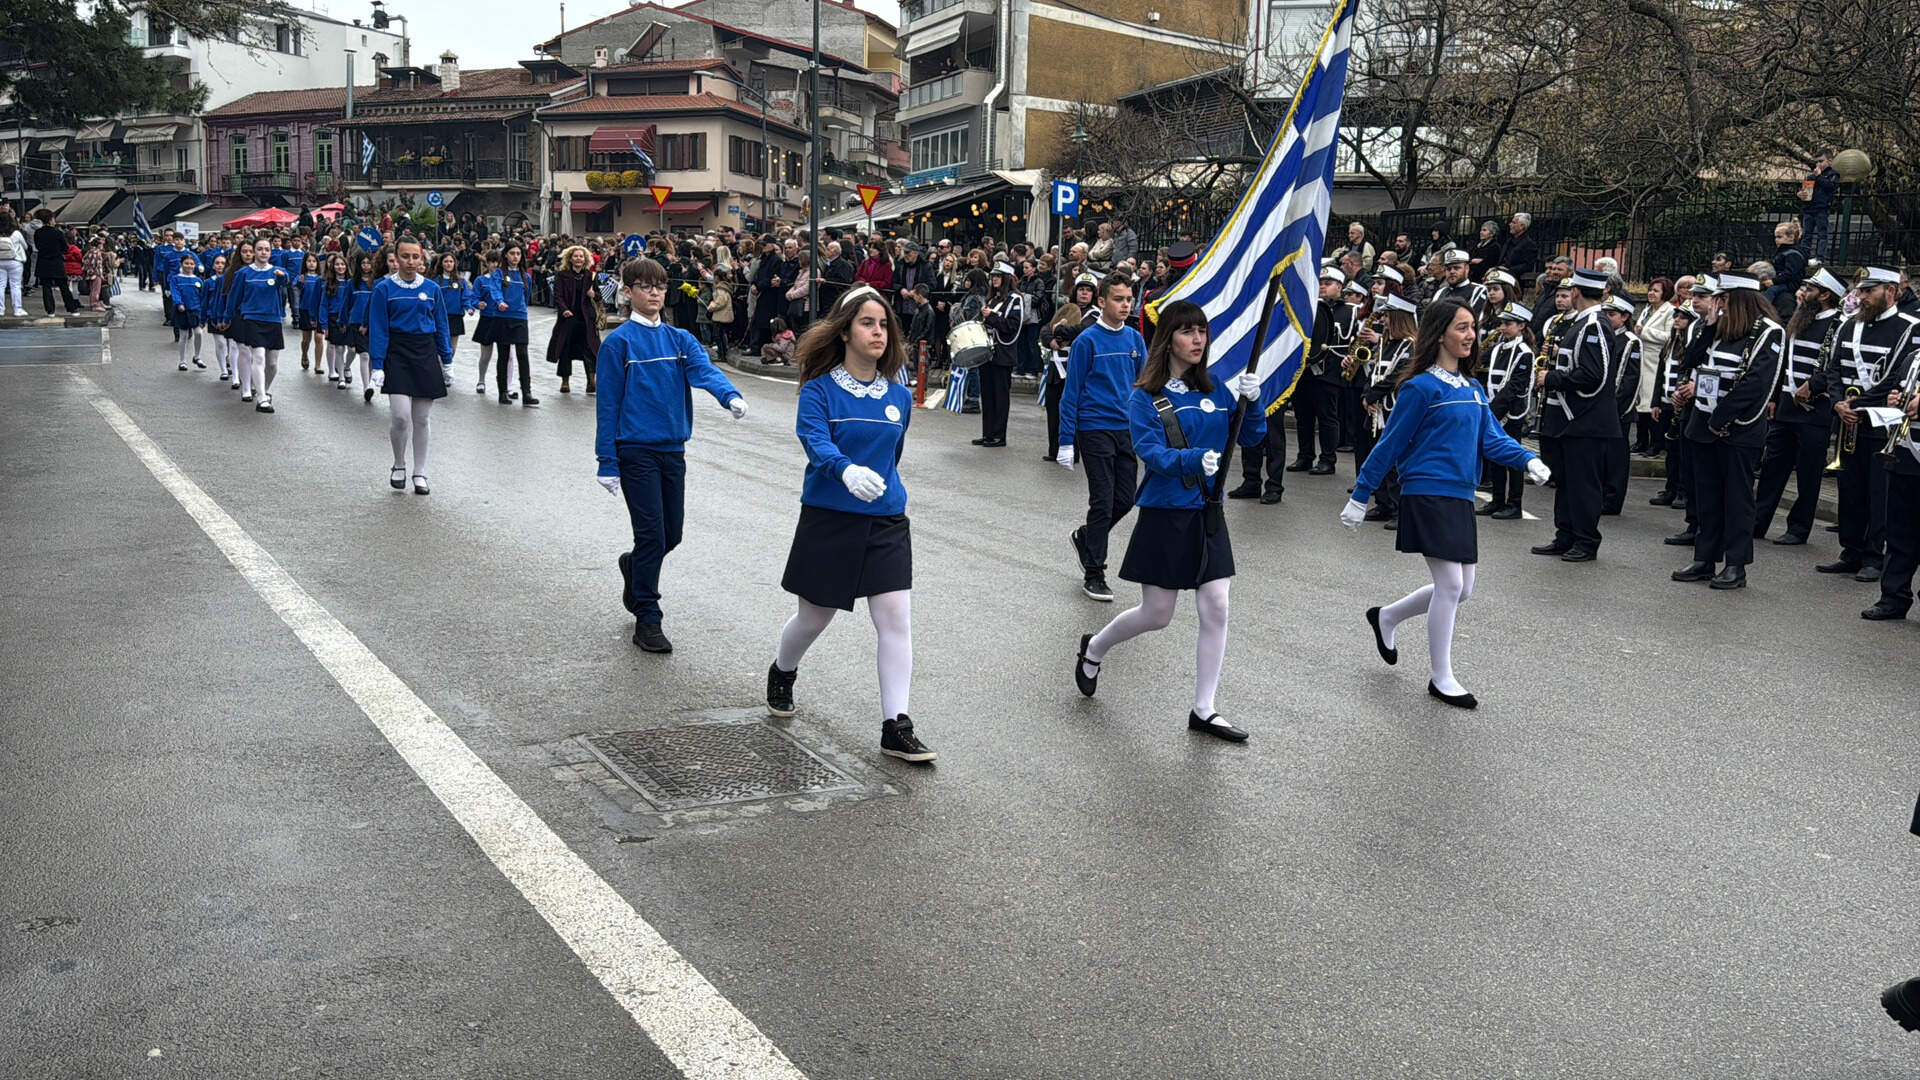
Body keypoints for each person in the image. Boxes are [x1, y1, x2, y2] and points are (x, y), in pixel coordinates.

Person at [1072, 300, 1265, 742]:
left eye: (1202, 331)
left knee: (1216, 604)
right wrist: (1195, 459)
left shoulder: (1217, 389)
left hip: (1207, 514)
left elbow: (1250, 438)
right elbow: (1150, 452)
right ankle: (1095, 647)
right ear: (1168, 339)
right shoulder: (1145, 396)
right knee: (1157, 615)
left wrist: (1253, 403)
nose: (1197, 339)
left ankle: (1204, 708)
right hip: (1165, 513)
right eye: (1187, 331)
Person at [1344, 297, 1547, 709]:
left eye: (1472, 326)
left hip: (1459, 495)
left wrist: (1528, 458)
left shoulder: (1472, 388)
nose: (1470, 334)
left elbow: (1491, 439)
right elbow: (1390, 444)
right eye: (1461, 327)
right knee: (1451, 585)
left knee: (1462, 589)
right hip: (1425, 490)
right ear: (1439, 334)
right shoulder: (1420, 388)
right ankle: (1442, 677)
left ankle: (1386, 616)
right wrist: (1361, 495)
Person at [762, 284, 933, 763]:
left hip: (885, 520)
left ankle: (895, 724)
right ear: (844, 331)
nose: (878, 332)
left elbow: (892, 456)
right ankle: (783, 669)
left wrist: (879, 483)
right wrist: (844, 469)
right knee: (815, 617)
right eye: (867, 323)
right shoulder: (818, 391)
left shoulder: (898, 395)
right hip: (831, 518)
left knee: (896, 618)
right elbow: (813, 440)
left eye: (883, 325)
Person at [594, 256, 748, 654]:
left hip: (672, 451)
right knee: (651, 535)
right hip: (635, 452)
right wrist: (607, 461)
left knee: (671, 535)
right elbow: (608, 405)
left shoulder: (680, 339)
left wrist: (728, 395)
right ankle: (648, 617)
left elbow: (704, 370)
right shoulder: (618, 343)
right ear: (628, 292)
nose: (655, 293)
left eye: (660, 286)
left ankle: (633, 567)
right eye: (645, 286)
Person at [1669, 272, 1785, 590]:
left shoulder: (1768, 332)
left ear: (1737, 300)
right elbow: (1690, 361)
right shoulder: (1718, 328)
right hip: (1704, 424)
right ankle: (1705, 558)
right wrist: (1707, 328)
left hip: (1737, 429)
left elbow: (1757, 384)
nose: (1715, 305)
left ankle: (1736, 564)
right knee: (1706, 496)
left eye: (1722, 299)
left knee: (1737, 499)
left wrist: (1720, 417)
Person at [1818, 268, 1919, 581]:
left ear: (1890, 291)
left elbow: (1896, 378)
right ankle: (1851, 550)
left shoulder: (1910, 327)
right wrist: (1837, 402)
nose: (1860, 297)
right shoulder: (1851, 324)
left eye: (1868, 291)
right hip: (1848, 420)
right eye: (1860, 291)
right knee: (1850, 488)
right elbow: (1833, 369)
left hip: (1880, 424)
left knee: (1878, 492)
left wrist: (1857, 405)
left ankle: (1873, 556)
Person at [1058, 274, 1148, 603]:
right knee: (1102, 499)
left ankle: (1086, 538)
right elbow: (1072, 393)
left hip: (1126, 429)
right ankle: (1094, 572)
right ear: (1101, 302)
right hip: (1094, 428)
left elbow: (1145, 387)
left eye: (1128, 299)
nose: (1125, 305)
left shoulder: (1136, 340)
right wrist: (1066, 441)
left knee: (1126, 498)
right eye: (1118, 299)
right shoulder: (1087, 341)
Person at [1753, 268, 1845, 546]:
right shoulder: (1799, 319)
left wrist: (1814, 386)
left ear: (1825, 295)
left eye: (1810, 289)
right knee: (1772, 466)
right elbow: (1785, 359)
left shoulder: (1839, 325)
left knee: (1808, 472)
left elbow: (1835, 365)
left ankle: (1798, 527)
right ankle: (1757, 520)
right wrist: (1773, 397)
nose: (1803, 293)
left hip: (1814, 409)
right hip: (1786, 406)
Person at [1530, 268, 1617, 562]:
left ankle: (1586, 540)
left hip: (1586, 421)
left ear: (1577, 292)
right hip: (1569, 420)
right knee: (1566, 483)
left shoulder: (1594, 325)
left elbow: (1594, 375)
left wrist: (1551, 379)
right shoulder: (1579, 323)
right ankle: (1565, 534)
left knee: (1583, 485)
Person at [368, 238, 454, 493]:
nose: (410, 262)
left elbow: (441, 326)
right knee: (401, 417)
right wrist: (377, 364)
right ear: (395, 258)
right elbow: (379, 327)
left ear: (422, 259)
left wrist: (447, 360)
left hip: (425, 352)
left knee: (422, 418)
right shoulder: (384, 288)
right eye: (404, 256)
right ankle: (399, 464)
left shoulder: (431, 288)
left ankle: (420, 472)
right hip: (397, 352)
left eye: (415, 257)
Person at [1857, 341, 1920, 621]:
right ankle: (1893, 597)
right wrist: (1893, 400)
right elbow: (1896, 391)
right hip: (1905, 455)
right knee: (1899, 534)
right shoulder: (1912, 358)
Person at [1481, 302, 1537, 520]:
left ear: (1522, 325)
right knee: (1495, 455)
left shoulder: (1524, 353)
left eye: (1508, 324)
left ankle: (1514, 503)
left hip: (1511, 412)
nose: (1502, 327)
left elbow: (1514, 387)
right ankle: (1497, 499)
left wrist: (1492, 412)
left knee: (1512, 458)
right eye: (1501, 323)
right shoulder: (1498, 349)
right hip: (1494, 407)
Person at [224, 238, 290, 412]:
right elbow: (234, 297)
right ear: (254, 252)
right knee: (258, 356)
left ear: (270, 252)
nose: (263, 252)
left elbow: (286, 281)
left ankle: (264, 389)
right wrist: (227, 316)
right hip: (252, 318)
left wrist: (283, 277)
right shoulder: (244, 273)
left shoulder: (277, 271)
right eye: (260, 249)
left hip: (273, 319)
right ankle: (261, 398)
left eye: (266, 249)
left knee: (272, 363)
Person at [478, 245, 538, 405]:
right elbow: (495, 289)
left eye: (518, 253)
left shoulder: (525, 276)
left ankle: (527, 392)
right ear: (505, 255)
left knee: (523, 355)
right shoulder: (498, 274)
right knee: (503, 355)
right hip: (502, 317)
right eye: (512, 253)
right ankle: (503, 392)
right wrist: (500, 302)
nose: (515, 257)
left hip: (519, 317)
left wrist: (521, 308)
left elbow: (526, 296)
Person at [973, 261, 1024, 448]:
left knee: (1000, 397)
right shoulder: (993, 299)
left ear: (1006, 279)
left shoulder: (1014, 300)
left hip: (1002, 354)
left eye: (998, 276)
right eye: (993, 276)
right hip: (988, 353)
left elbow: (1012, 326)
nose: (994, 279)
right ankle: (987, 433)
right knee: (987, 395)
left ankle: (999, 435)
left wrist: (991, 317)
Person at [1600, 294, 1643, 516]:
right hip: (1602, 408)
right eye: (1605, 313)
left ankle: (1613, 498)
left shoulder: (1630, 341)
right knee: (1602, 455)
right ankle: (1602, 494)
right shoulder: (1605, 337)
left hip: (1618, 410)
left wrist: (1616, 408)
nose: (1607, 318)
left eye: (1612, 314)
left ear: (1625, 317)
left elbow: (1629, 380)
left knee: (1616, 456)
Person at [549, 245, 601, 395]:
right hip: (568, 318)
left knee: (590, 350)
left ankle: (591, 381)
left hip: (586, 319)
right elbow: (557, 295)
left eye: (581, 256)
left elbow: (599, 296)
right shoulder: (562, 275)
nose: (579, 259)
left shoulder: (590, 276)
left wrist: (594, 295)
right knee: (565, 349)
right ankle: (565, 381)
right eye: (576, 256)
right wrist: (564, 309)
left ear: (585, 259)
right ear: (570, 258)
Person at [432, 251, 470, 386]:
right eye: (446, 261)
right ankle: (439, 370)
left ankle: (446, 368)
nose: (448, 264)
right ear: (441, 264)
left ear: (455, 264)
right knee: (441, 344)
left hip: (455, 317)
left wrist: (469, 307)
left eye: (451, 261)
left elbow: (466, 297)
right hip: (441, 317)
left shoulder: (460, 281)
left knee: (452, 348)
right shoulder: (436, 281)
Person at [32, 209, 78, 315]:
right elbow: (65, 248)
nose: (55, 221)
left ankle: (50, 311)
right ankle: (72, 309)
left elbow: (38, 246)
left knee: (46, 287)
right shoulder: (57, 233)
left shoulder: (38, 232)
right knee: (64, 286)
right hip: (56, 261)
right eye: (53, 219)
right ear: (50, 220)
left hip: (43, 261)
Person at [167, 252, 208, 371]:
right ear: (181, 264)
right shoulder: (176, 279)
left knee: (199, 333)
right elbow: (175, 293)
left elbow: (202, 297)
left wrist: (203, 311)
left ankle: (197, 356)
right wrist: (179, 303)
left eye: (191, 264)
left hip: (195, 310)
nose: (189, 266)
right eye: (186, 263)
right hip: (182, 311)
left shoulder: (198, 281)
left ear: (194, 265)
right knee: (183, 336)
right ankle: (182, 360)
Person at [1801, 150, 1840, 262]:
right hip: (1809, 209)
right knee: (1806, 234)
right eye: (1816, 162)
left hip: (1821, 209)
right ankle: (1804, 256)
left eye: (1821, 161)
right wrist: (1800, 194)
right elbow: (1805, 191)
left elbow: (1830, 187)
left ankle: (1820, 257)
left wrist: (1818, 177)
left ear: (1830, 161)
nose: (1818, 164)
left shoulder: (1833, 175)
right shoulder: (1811, 176)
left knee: (1821, 233)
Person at [0, 207, 25, 317]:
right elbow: (25, 245)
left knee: (1, 285)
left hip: (0, 261)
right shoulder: (16, 233)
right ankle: (17, 309)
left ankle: (1, 309)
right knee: (15, 285)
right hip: (15, 261)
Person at [1503, 213, 1540, 281]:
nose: (1510, 224)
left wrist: (1508, 270)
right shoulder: (1508, 241)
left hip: (1514, 279)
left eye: (1513, 223)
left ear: (1522, 226)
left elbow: (1528, 265)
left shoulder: (1529, 244)